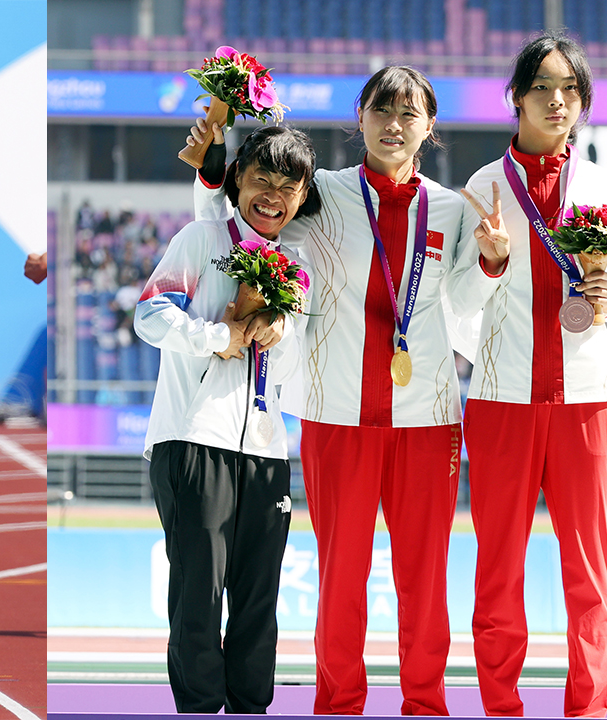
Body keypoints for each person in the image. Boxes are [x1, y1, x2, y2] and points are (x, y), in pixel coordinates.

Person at [192, 66, 481, 716]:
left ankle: (426, 705)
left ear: (429, 126)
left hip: (429, 419)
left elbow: (468, 304)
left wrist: (491, 262)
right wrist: (213, 164)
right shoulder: (321, 191)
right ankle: (339, 705)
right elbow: (243, 219)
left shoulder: (454, 209)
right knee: (341, 577)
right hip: (335, 416)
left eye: (409, 113)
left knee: (425, 580)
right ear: (360, 116)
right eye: (382, 109)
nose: (394, 125)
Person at [450, 33, 607, 717]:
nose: (557, 101)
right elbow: (458, 302)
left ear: (583, 102)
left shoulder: (600, 184)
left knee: (590, 570)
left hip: (587, 398)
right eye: (542, 88)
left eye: (570, 90)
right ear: (516, 98)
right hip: (503, 400)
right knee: (498, 569)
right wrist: (492, 263)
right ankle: (501, 706)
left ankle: (588, 709)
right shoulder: (483, 186)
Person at [137, 125, 320, 714]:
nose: (272, 196)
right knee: (198, 593)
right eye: (261, 179)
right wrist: (218, 335)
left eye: (288, 187)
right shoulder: (202, 238)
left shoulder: (296, 265)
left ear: (302, 196)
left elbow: (290, 368)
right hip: (193, 440)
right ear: (237, 178)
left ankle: (250, 706)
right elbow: (149, 315)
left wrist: (279, 330)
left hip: (266, 451)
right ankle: (198, 706)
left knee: (259, 597)